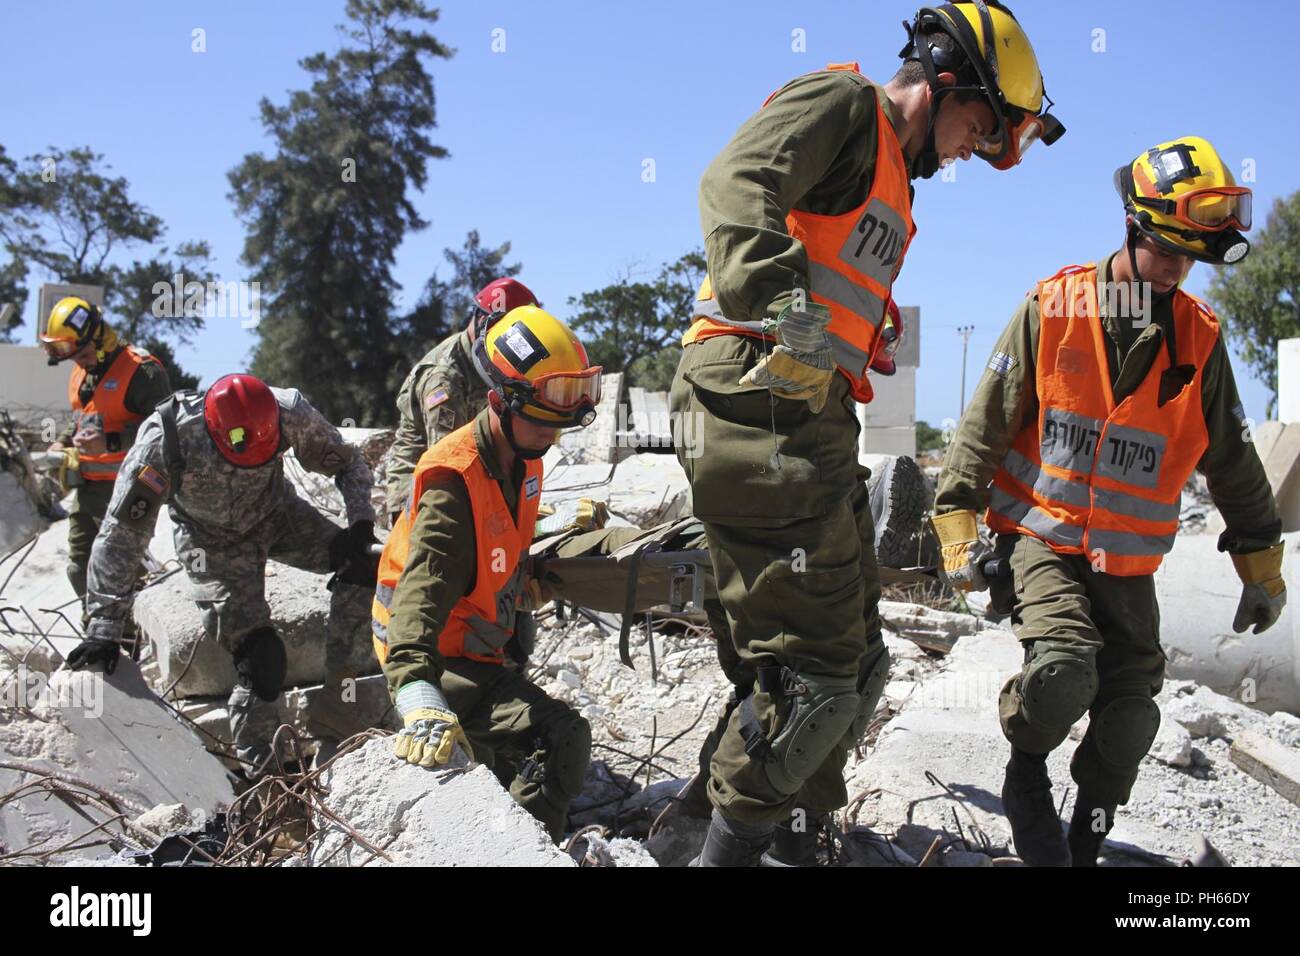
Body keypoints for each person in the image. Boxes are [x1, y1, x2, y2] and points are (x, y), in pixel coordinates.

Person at [669, 0, 1062, 865]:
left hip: (803, 415)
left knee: (852, 665)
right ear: (947, 84)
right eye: (977, 128)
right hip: (752, 403)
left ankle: (781, 843)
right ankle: (723, 854)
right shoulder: (847, 107)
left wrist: (853, 337)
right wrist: (792, 316)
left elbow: (824, 267)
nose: (970, 150)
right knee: (817, 682)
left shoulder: (891, 177)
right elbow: (731, 184)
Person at [931, 135, 1284, 865]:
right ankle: (1025, 772)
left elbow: (1236, 461)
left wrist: (1261, 564)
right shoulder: (1054, 307)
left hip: (1127, 566)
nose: (1177, 271)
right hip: (1041, 539)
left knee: (1129, 716)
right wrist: (958, 531)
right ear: (1131, 227)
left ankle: (1086, 836)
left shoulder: (1201, 340)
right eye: (1166, 253)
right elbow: (982, 425)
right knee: (1063, 670)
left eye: (1191, 259)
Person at [372, 305, 603, 842]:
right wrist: (417, 692)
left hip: (475, 643)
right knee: (563, 737)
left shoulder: (524, 457)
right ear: (502, 398)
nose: (553, 436)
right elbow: (420, 594)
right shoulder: (454, 481)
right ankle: (521, 849)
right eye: (544, 420)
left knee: (503, 764)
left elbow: (500, 545)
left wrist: (540, 556)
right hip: (431, 652)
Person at [72, 373, 378, 776]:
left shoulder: (288, 412)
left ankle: (341, 713)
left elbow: (350, 463)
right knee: (261, 659)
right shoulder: (166, 438)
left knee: (361, 567)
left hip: (277, 514)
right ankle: (265, 784)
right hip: (210, 543)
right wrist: (104, 626)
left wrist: (360, 524)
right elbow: (122, 534)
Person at [38, 296, 171, 646]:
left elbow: (166, 430)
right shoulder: (83, 369)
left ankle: (133, 638)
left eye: (81, 354)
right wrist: (63, 442)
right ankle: (99, 633)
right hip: (90, 485)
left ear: (100, 339)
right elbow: (84, 417)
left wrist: (111, 442)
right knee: (80, 566)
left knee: (126, 566)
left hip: (132, 486)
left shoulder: (143, 371)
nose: (77, 363)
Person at [385, 278, 539, 524]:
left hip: (468, 472)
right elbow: (447, 461)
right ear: (483, 322)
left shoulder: (489, 360)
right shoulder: (445, 378)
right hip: (422, 493)